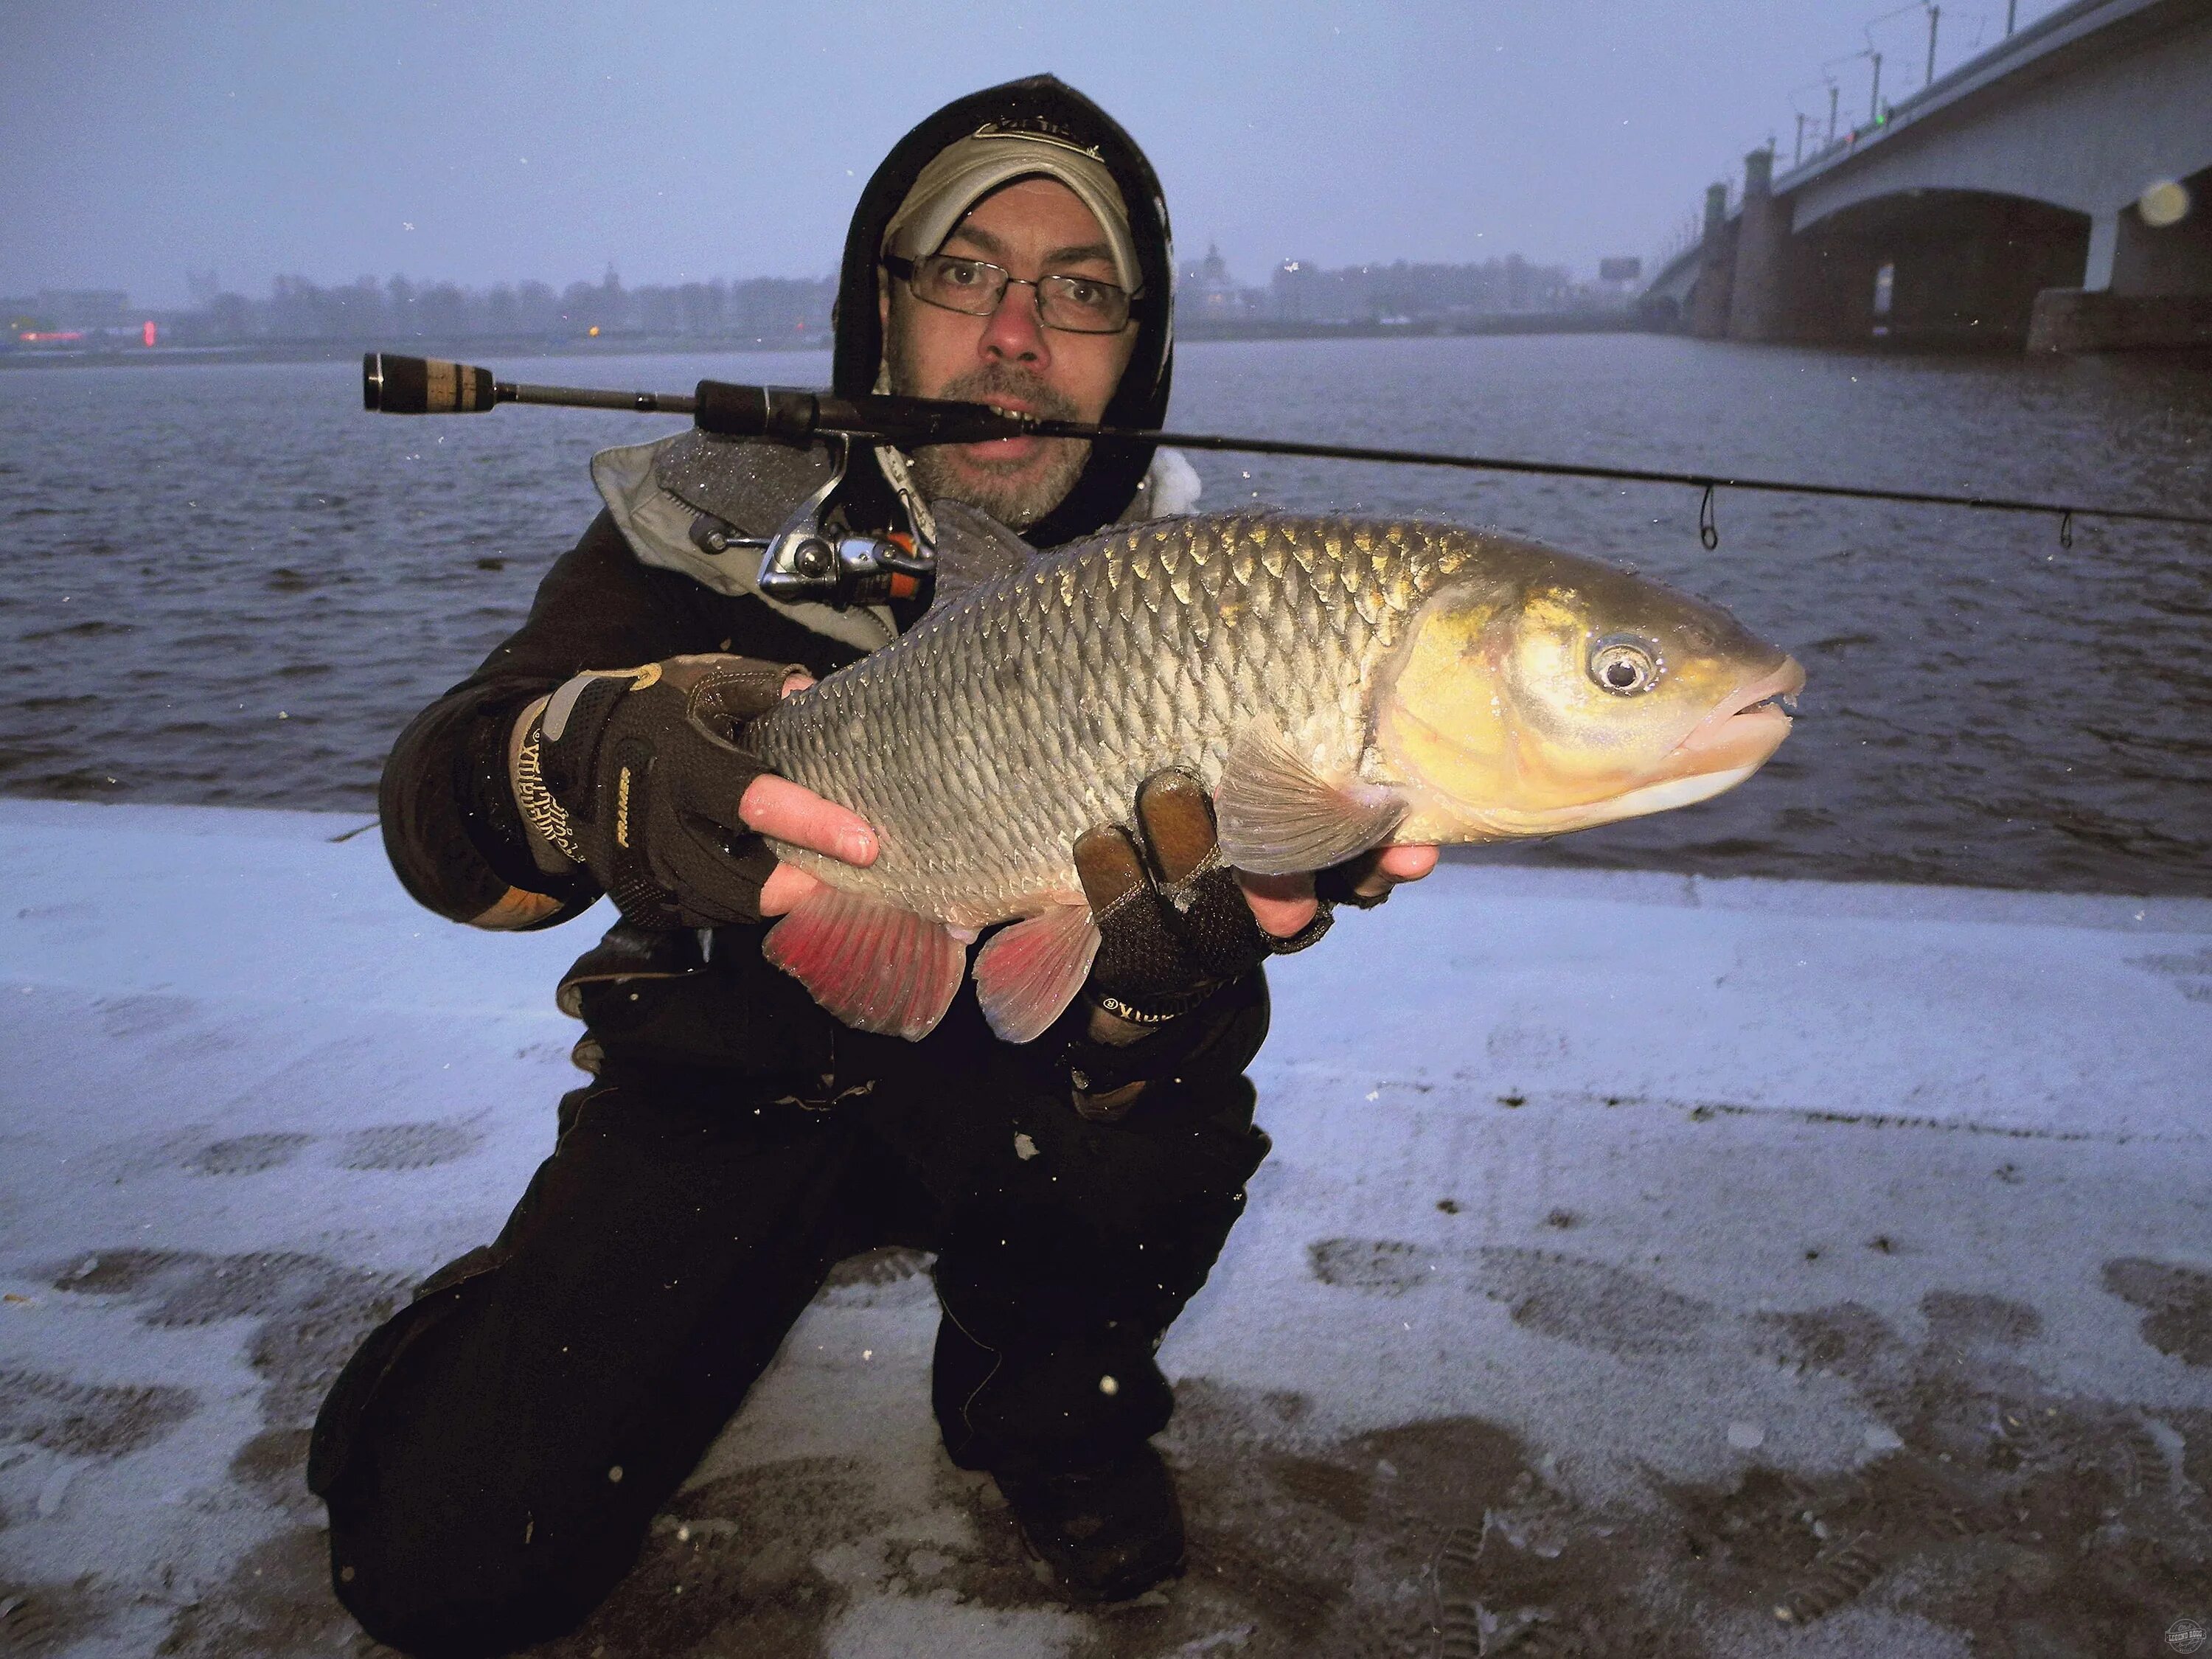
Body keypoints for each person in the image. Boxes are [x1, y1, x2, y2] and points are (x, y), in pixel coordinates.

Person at [310, 75, 1433, 1657]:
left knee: (1175, 1081)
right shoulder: (716, 526)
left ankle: (1042, 1399)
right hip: (736, 1077)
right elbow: (449, 819)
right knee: (447, 1574)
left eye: (1083, 290)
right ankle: (485, 1343)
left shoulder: (1214, 599)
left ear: (1143, 346)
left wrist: (1156, 995)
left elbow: (1287, 876)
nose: (1019, 336)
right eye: (966, 272)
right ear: (885, 311)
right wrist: (574, 765)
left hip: (1031, 1096)